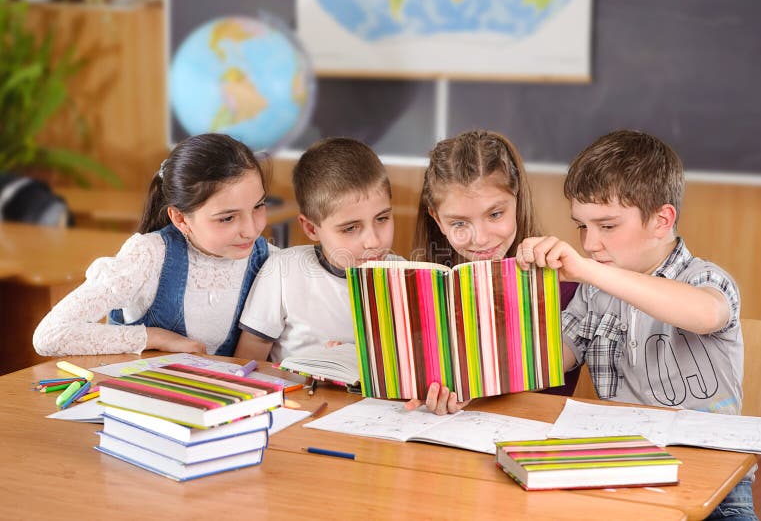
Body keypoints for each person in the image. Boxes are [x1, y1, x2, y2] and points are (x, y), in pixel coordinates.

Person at [516, 130, 755, 520]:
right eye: (581, 227)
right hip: (622, 467)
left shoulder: (705, 280)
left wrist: (586, 271)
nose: (590, 244)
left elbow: (705, 314)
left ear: (662, 220)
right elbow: (548, 358)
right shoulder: (594, 291)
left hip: (713, 483)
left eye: (607, 226)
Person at [33, 133, 272, 356]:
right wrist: (156, 338)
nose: (251, 230)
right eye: (227, 218)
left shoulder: (269, 259)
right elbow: (50, 335)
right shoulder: (149, 257)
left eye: (259, 206)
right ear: (180, 218)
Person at [408, 129, 578, 414]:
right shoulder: (420, 290)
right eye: (459, 223)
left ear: (517, 200)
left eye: (495, 214)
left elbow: (542, 369)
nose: (481, 238)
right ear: (437, 220)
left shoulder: (565, 286)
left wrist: (472, 392)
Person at [235, 137, 396, 362]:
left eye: (382, 218)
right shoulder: (283, 270)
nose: (373, 241)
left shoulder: (404, 275)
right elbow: (248, 364)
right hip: (298, 395)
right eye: (350, 228)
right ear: (311, 228)